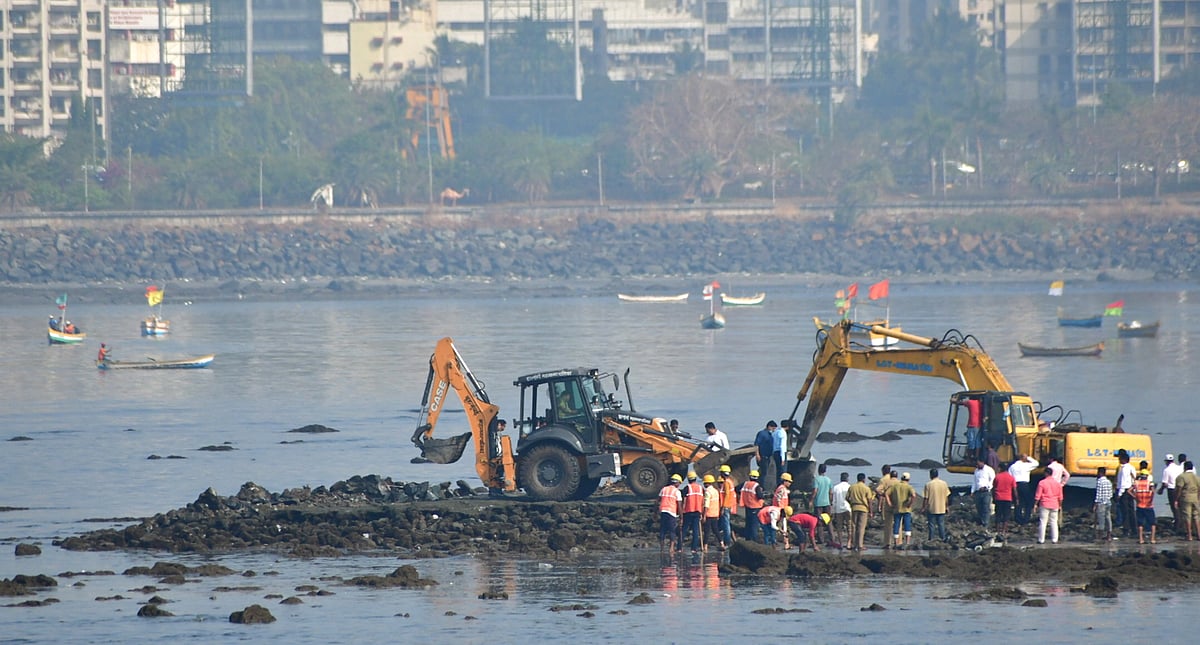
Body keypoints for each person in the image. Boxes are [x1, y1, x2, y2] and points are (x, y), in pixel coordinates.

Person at [1035, 467, 1064, 544]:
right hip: (1055, 504)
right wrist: (1060, 505)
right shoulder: (1057, 483)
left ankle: (1041, 539)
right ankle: (1055, 539)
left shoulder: (1042, 483)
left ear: (1046, 473)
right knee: (1054, 522)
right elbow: (1060, 497)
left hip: (1044, 503)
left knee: (1043, 522)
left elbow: (1038, 495)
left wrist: (1035, 504)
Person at [887, 472, 916, 549]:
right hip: (906, 509)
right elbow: (913, 495)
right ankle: (907, 542)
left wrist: (889, 503)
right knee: (907, 525)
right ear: (908, 479)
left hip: (897, 508)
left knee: (896, 524)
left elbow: (887, 494)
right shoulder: (909, 487)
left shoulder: (895, 486)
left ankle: (896, 542)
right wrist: (910, 503)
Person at [846, 473, 875, 551]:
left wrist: (851, 503)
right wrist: (871, 511)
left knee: (854, 526)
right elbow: (869, 500)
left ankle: (854, 544)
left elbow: (847, 498)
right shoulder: (866, 488)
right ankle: (860, 545)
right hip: (863, 508)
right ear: (864, 479)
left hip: (854, 507)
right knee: (861, 527)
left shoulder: (852, 487)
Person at [922, 468, 951, 542]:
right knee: (941, 524)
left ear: (930, 475)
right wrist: (947, 506)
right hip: (941, 507)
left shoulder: (928, 485)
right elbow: (946, 497)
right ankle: (943, 538)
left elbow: (926, 498)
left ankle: (931, 539)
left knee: (931, 525)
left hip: (932, 507)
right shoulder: (944, 484)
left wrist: (923, 507)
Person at [1173, 460, 1200, 541]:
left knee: (1187, 516)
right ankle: (1199, 534)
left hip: (1186, 498)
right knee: (1196, 516)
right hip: (1195, 498)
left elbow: (1179, 489)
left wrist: (1176, 499)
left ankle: (1189, 535)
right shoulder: (1197, 477)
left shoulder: (1182, 477)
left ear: (1185, 467)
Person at [1008, 453, 1038, 525]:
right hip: (1024, 485)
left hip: (1015, 485)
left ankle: (1018, 518)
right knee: (1029, 502)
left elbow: (1010, 476)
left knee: (1018, 501)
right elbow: (1036, 463)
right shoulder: (1026, 465)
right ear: (1023, 458)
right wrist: (1028, 457)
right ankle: (1026, 518)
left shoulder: (1012, 467)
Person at [658, 474, 684, 553]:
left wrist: (655, 513)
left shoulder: (664, 489)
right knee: (672, 531)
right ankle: (671, 548)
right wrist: (681, 517)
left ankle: (662, 549)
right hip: (671, 512)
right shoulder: (677, 492)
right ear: (677, 483)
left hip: (663, 511)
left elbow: (657, 501)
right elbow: (679, 506)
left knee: (662, 530)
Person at [680, 471, 705, 552]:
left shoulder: (687, 488)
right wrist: (702, 512)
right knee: (695, 530)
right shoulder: (701, 488)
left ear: (688, 479)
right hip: (697, 511)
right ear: (695, 479)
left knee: (684, 529)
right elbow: (703, 501)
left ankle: (679, 547)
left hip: (688, 511)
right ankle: (694, 548)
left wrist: (681, 512)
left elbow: (684, 501)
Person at [1158, 453, 1183, 530]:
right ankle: (1181, 525)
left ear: (1166, 461)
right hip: (1180, 489)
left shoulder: (1167, 470)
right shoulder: (1179, 468)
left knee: (1174, 507)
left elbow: (1165, 483)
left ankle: (1177, 525)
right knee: (1180, 507)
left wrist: (1160, 490)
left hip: (1172, 490)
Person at [1115, 449, 1137, 537]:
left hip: (1124, 491)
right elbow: (1134, 480)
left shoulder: (1123, 469)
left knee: (1125, 511)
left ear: (1123, 459)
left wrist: (1119, 494)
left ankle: (1126, 530)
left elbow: (1122, 482)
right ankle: (1134, 529)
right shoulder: (1132, 467)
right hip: (1130, 491)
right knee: (1131, 510)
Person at [1132, 469, 1157, 545]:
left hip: (1139, 505)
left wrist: (1135, 497)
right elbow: (1153, 491)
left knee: (1140, 523)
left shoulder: (1136, 483)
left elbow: (1129, 491)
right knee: (1152, 523)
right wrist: (1151, 499)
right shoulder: (1149, 483)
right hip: (1148, 505)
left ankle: (1141, 539)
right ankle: (1152, 539)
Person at [992, 463, 1017, 539]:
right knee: (1006, 515)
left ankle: (997, 531)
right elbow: (1014, 490)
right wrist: (1016, 499)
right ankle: (1004, 531)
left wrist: (993, 498)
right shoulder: (1011, 477)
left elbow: (994, 488)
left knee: (998, 515)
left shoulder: (997, 477)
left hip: (998, 498)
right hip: (1007, 498)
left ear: (1001, 468)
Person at [739, 469, 764, 541]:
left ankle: (747, 539)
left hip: (747, 506)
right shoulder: (756, 486)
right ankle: (754, 540)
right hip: (755, 507)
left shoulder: (745, 484)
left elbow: (736, 489)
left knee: (748, 524)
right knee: (754, 525)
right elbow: (760, 496)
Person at [717, 464, 738, 549]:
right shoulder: (730, 481)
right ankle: (729, 540)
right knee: (727, 524)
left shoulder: (726, 482)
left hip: (726, 506)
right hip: (729, 506)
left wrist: (723, 507)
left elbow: (727, 495)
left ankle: (727, 542)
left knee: (726, 525)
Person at [875, 465, 896, 549]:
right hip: (896, 502)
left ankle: (887, 542)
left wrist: (883, 495)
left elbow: (878, 490)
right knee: (897, 523)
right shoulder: (896, 480)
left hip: (887, 502)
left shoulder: (883, 479)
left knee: (887, 523)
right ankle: (897, 542)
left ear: (883, 470)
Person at [812, 464, 833, 544]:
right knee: (828, 521)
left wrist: (811, 500)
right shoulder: (829, 480)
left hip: (818, 503)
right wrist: (830, 501)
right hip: (826, 502)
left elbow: (815, 491)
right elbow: (830, 492)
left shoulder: (817, 480)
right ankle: (832, 538)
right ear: (825, 471)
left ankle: (821, 539)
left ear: (818, 470)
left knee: (819, 522)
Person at [971, 459, 995, 529]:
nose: (977, 466)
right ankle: (982, 520)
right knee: (979, 507)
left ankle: (986, 523)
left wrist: (987, 487)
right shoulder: (976, 471)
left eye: (978, 464)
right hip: (978, 491)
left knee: (986, 507)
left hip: (986, 491)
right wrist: (972, 491)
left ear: (982, 462)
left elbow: (992, 480)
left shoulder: (989, 470)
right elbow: (975, 481)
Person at [753, 421, 778, 490]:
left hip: (768, 456)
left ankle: (761, 486)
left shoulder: (770, 435)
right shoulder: (762, 434)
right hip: (762, 456)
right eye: (773, 428)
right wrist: (757, 455)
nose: (774, 430)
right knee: (763, 473)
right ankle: (761, 487)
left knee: (765, 472)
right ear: (769, 427)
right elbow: (756, 445)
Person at [831, 472, 852, 548]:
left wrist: (833, 511)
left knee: (839, 527)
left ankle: (841, 543)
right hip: (848, 508)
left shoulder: (836, 487)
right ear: (847, 478)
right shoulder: (850, 487)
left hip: (838, 509)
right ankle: (849, 543)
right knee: (849, 526)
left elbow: (834, 501)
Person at [1094, 466, 1115, 542]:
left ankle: (1100, 536)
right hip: (1108, 502)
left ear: (1100, 473)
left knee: (1101, 519)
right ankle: (1109, 536)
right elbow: (1111, 494)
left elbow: (1098, 494)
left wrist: (1095, 504)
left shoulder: (1100, 481)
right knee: (1108, 518)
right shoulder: (1109, 482)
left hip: (1101, 503)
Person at [702, 474, 721, 551]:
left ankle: (705, 546)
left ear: (707, 483)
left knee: (707, 531)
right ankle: (721, 542)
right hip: (715, 513)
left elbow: (706, 505)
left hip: (709, 514)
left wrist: (704, 516)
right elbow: (718, 503)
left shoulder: (707, 492)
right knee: (716, 530)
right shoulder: (716, 491)